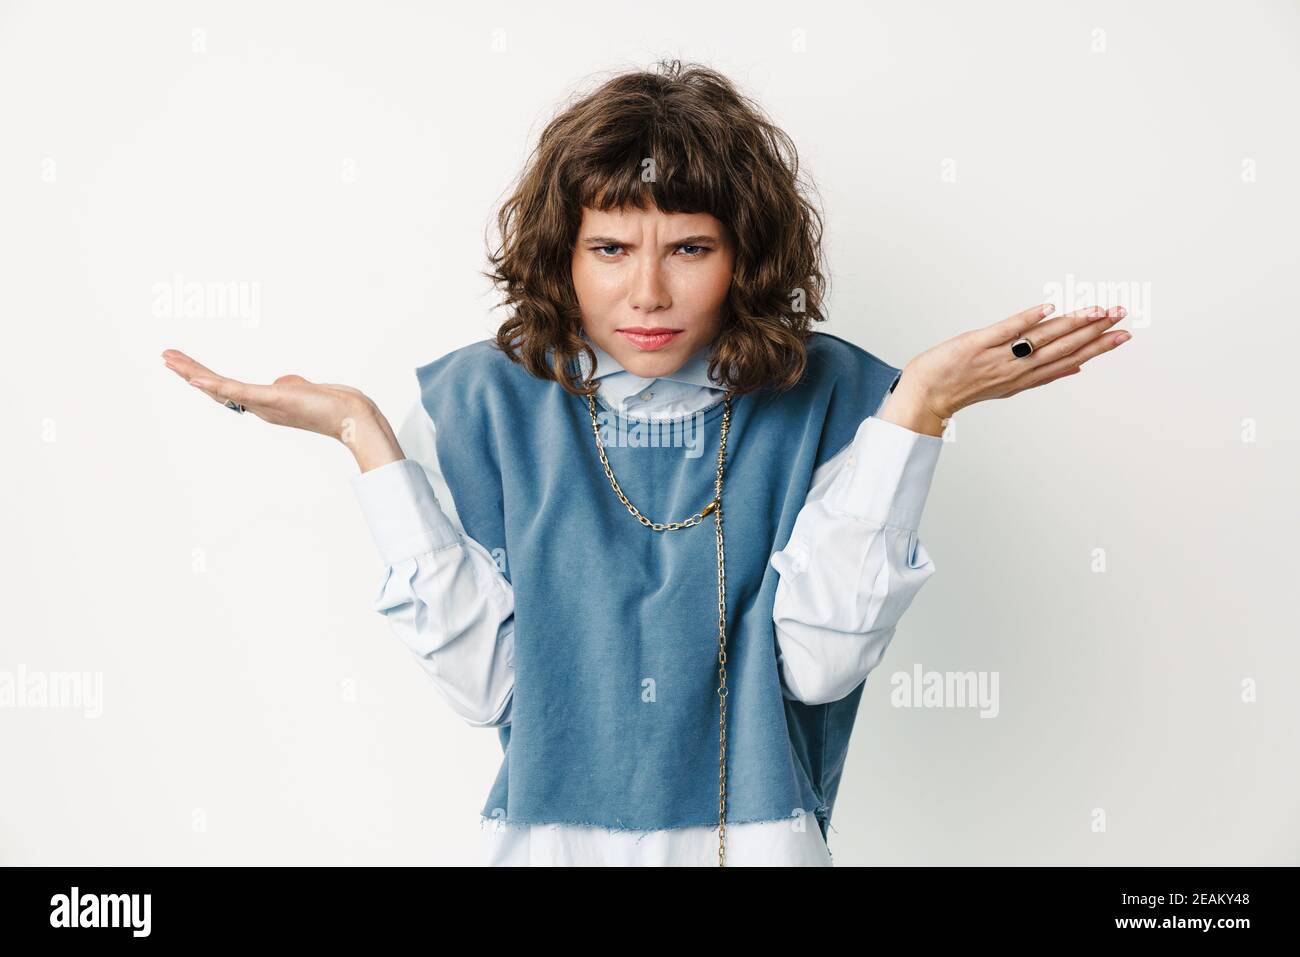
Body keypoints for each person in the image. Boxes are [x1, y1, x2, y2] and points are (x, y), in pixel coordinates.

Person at [161, 60, 1132, 867]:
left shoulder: (841, 398)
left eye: (691, 247)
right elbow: (487, 689)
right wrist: (365, 439)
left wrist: (915, 412)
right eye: (612, 247)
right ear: (562, 255)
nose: (648, 291)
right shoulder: (473, 406)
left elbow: (820, 664)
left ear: (743, 256)